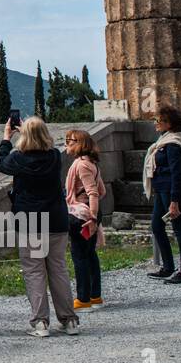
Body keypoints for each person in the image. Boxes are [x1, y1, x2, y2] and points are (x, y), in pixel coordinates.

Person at [0, 116, 79, 337]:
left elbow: (0, 163)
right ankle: (69, 320)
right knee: (58, 269)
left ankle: (41, 322)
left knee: (34, 271)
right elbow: (41, 143)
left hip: (31, 221)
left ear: (24, 135)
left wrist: (7, 138)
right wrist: (30, 129)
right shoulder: (54, 157)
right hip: (56, 219)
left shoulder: (18, 159)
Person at [142, 104, 181, 284]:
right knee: (156, 226)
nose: (155, 123)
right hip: (161, 190)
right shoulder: (163, 141)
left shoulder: (173, 145)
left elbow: (176, 174)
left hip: (170, 192)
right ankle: (168, 266)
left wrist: (174, 200)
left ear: (169, 123)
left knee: (179, 229)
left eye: (159, 120)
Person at [64, 130, 106, 310]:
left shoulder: (81, 165)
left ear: (80, 143)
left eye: (70, 140)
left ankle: (83, 299)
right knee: (90, 255)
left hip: (82, 214)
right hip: (90, 213)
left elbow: (94, 192)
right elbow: (102, 190)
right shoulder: (92, 163)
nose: (67, 143)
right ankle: (95, 296)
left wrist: (92, 216)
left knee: (79, 255)